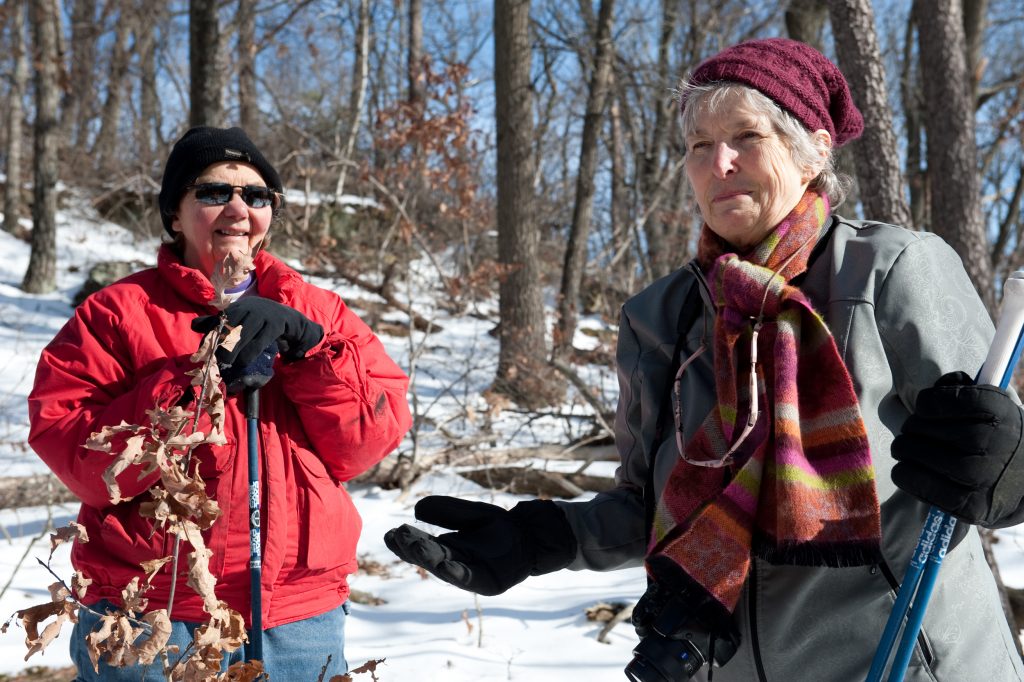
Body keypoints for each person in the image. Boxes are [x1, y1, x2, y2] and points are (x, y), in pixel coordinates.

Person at [385, 38, 1024, 681]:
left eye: (747, 135)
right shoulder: (662, 317)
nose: (719, 162)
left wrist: (1008, 469)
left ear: (815, 151)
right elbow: (649, 506)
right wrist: (539, 537)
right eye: (698, 145)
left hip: (903, 664)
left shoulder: (890, 270)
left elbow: (997, 455)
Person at [28, 126, 412, 679]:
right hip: (150, 618)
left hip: (298, 620)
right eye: (212, 192)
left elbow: (366, 444)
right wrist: (190, 380)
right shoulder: (115, 313)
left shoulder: (321, 311)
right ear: (175, 215)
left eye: (255, 196)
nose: (237, 207)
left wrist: (312, 351)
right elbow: (80, 459)